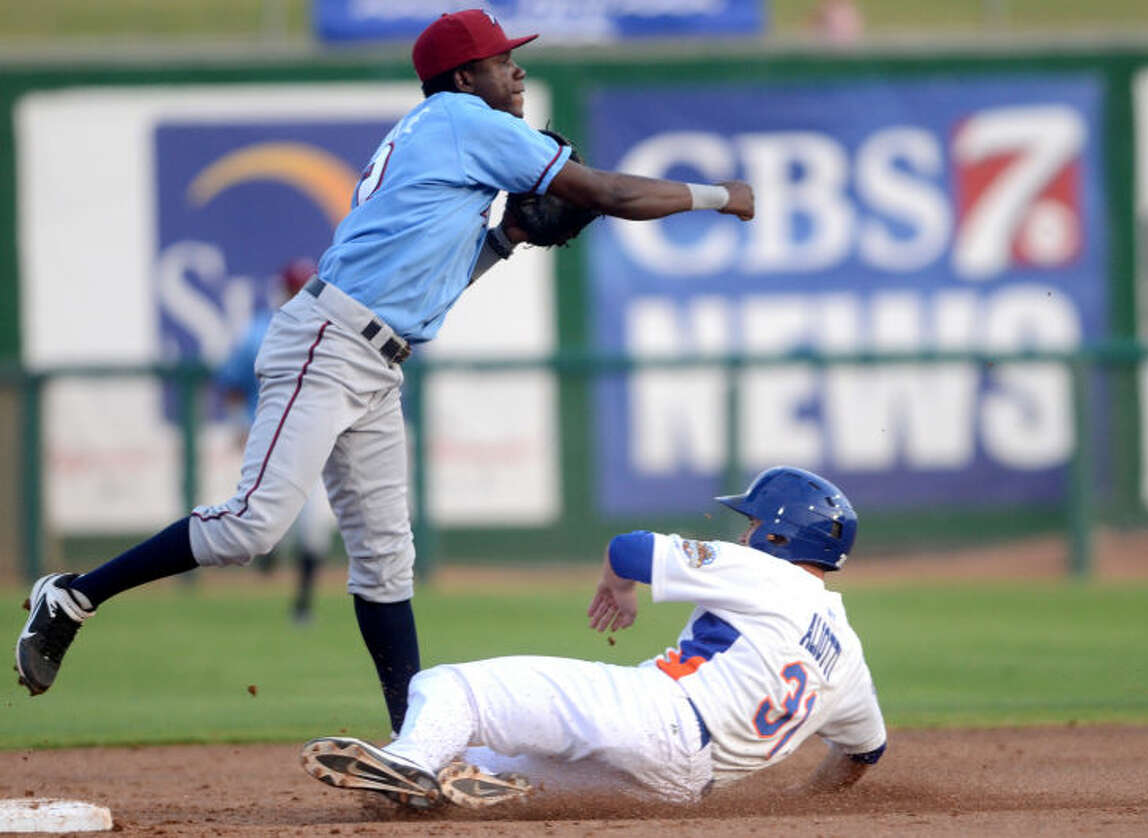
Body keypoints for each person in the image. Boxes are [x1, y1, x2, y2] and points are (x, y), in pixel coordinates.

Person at [14, 8, 755, 738]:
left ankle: (414, 747)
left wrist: (508, 237)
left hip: (373, 355)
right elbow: (608, 194)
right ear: (467, 76)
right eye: (503, 61)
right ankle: (73, 597)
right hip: (327, 342)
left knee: (385, 564)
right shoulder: (465, 122)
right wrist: (721, 197)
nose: (517, 69)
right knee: (254, 524)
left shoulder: (446, 137)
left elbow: (422, 286)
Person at [299, 466, 886, 810]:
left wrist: (619, 589)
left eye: (756, 522)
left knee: (452, 688)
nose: (747, 530)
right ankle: (443, 785)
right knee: (475, 765)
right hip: (684, 784)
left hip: (659, 713)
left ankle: (408, 759)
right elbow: (864, 752)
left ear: (782, 537)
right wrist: (803, 804)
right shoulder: (850, 655)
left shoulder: (765, 571)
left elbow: (629, 548)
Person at [213, 258, 333, 623]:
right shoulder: (257, 332)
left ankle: (302, 604)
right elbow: (232, 385)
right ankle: (270, 560)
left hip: (312, 437)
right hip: (268, 438)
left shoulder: (331, 330)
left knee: (312, 527)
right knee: (261, 523)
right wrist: (237, 424)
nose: (300, 294)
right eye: (294, 288)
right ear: (284, 291)